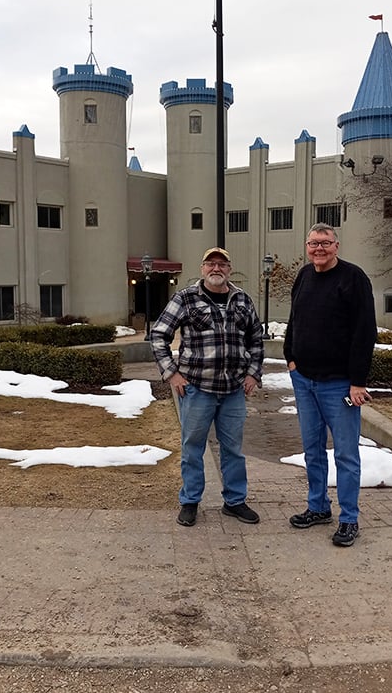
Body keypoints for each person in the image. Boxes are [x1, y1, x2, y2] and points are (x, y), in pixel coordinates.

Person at [150, 247, 264, 527]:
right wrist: (172, 375)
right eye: (211, 264)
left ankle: (235, 501)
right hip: (197, 389)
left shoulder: (242, 300)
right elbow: (158, 336)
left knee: (233, 449)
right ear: (202, 268)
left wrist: (253, 374)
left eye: (222, 264)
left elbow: (256, 340)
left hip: (233, 391)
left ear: (229, 269)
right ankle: (190, 501)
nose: (216, 268)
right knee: (192, 448)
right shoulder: (186, 299)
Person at [284, 223, 377, 547]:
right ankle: (318, 507)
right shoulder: (304, 276)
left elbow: (365, 333)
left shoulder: (354, 279)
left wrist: (357, 382)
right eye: (313, 243)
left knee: (346, 455)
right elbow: (294, 320)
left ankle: (349, 518)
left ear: (336, 246)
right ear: (307, 247)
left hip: (339, 387)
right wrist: (290, 359)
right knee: (312, 451)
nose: (318, 249)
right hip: (304, 381)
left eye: (325, 243)